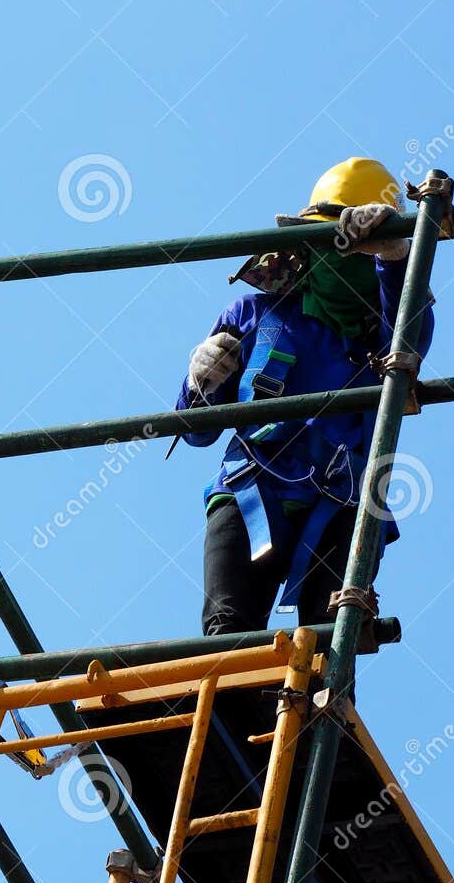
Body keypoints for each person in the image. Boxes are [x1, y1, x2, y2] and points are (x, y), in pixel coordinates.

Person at [175, 158, 434, 636]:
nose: (338, 256)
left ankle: (323, 707)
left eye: (355, 248)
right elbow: (198, 432)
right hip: (251, 486)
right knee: (229, 634)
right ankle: (231, 712)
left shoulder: (381, 326)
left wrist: (395, 260)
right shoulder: (255, 312)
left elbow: (411, 342)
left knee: (329, 637)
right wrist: (199, 384)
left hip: (343, 498)